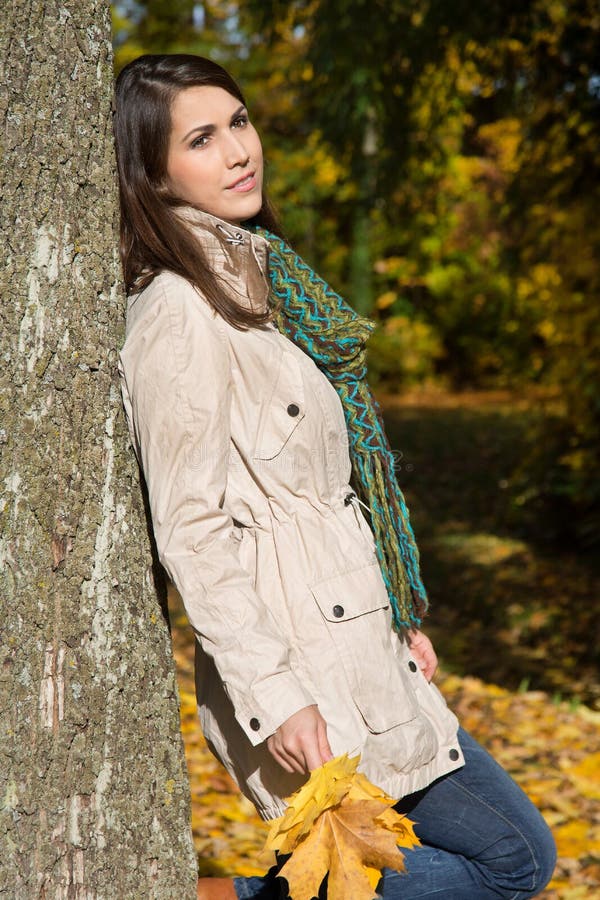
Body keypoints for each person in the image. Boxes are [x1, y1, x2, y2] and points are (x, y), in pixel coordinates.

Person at [113, 54, 557, 900]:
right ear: (154, 173)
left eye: (239, 122)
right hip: (300, 669)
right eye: (201, 139)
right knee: (504, 869)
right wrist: (276, 698)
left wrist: (395, 617)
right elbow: (192, 529)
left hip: (365, 645)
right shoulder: (177, 311)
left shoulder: (265, 283)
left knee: (519, 854)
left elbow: (332, 493)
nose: (238, 149)